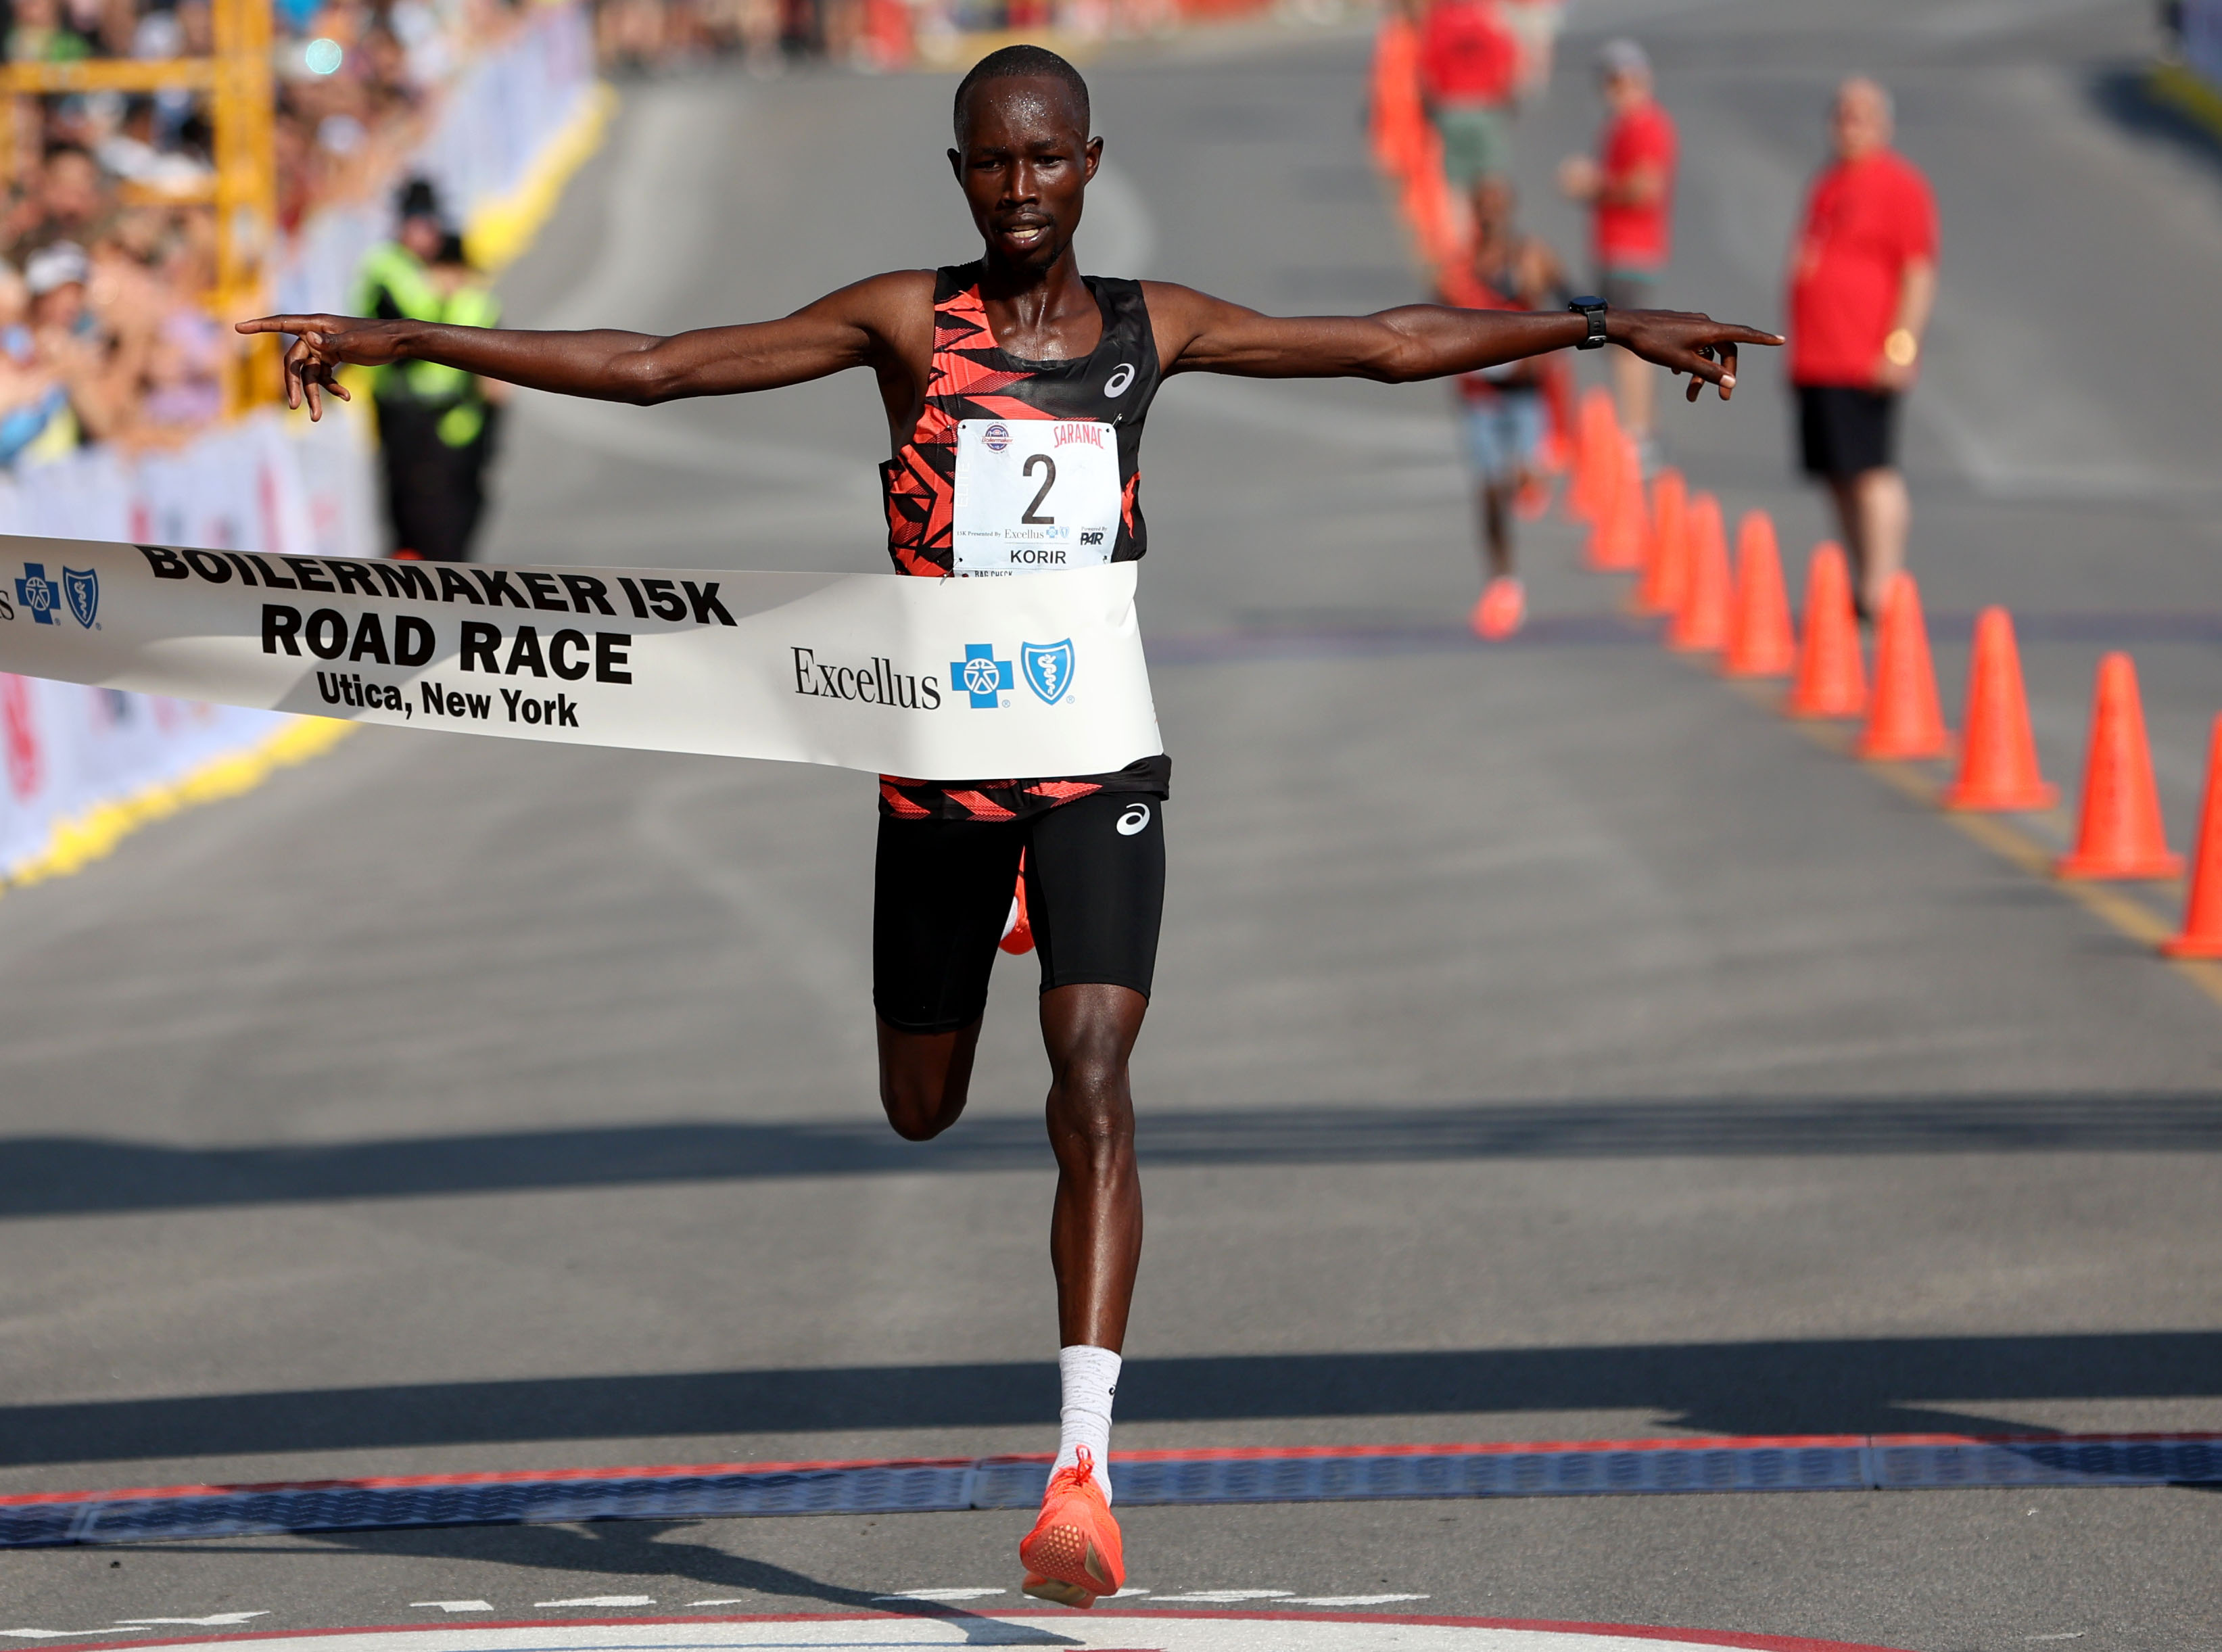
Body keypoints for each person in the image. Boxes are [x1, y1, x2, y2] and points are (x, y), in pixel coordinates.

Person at [241, 44, 1774, 1609]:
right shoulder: (907, 322)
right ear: (960, 173)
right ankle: (999, 922)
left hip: (1097, 753)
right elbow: (655, 362)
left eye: (1046, 160)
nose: (1022, 189)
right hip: (940, 774)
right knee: (920, 1102)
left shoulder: (1145, 327)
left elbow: (1385, 343)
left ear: (1090, 162)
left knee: (1093, 1079)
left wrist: (1597, 325)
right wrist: (408, 333)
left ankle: (1083, 1469)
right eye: (992, 163)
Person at [1787, 76, 1937, 621]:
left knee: (1873, 471)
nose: (1850, 126)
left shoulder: (1900, 186)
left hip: (1862, 356)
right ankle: (1861, 577)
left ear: (1883, 125)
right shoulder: (1827, 184)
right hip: (1817, 356)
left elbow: (1918, 272)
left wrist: (1900, 346)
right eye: (1843, 115)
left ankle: (1883, 584)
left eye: (1862, 117)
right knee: (1836, 474)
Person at [1439, 174, 1565, 640]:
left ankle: (1535, 472)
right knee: (1489, 491)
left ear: (1510, 209)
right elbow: (1431, 321)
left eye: (1498, 205)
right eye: (1483, 205)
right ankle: (1503, 580)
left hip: (1527, 393)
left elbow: (1580, 305)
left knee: (1524, 482)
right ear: (1474, 211)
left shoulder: (1531, 257)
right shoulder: (1460, 267)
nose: (1491, 214)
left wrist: (1547, 346)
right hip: (1481, 398)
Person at [352, 179, 505, 561]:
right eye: (416, 222)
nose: (423, 233)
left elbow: (496, 382)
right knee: (414, 520)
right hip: (405, 411)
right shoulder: (387, 268)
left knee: (450, 521)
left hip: (456, 420)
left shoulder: (473, 299)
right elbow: (390, 332)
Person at [1557, 37, 1676, 463]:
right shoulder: (1620, 126)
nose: (1615, 89)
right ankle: (1641, 430)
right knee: (1616, 342)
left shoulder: (1646, 125)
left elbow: (1646, 187)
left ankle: (1640, 433)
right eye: (1609, 81)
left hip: (1633, 250)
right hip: (1615, 249)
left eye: (1623, 80)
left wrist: (1593, 183)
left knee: (1628, 343)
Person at [1417, 0, 1519, 194]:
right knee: (1492, 174)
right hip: (1486, 106)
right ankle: (1490, 221)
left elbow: (1426, 71)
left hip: (1451, 108)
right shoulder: (1490, 18)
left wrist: (1428, 109)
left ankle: (1462, 224)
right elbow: (1508, 61)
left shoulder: (1437, 22)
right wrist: (1509, 98)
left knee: (1456, 182)